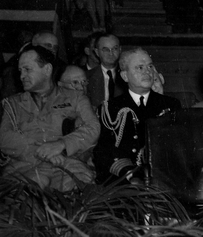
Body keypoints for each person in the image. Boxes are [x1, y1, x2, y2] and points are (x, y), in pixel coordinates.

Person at [0, 45, 100, 191]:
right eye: (20, 71)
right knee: (30, 188)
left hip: (67, 165)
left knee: (81, 187)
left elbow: (93, 127)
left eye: (27, 69)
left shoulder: (76, 98)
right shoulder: (12, 103)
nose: (22, 76)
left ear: (47, 70)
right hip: (25, 167)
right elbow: (4, 137)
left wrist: (61, 144)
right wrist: (42, 152)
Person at [94, 48, 181, 183]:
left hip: (163, 179)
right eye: (140, 67)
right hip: (125, 180)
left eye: (150, 66)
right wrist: (129, 174)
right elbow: (106, 151)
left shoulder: (171, 105)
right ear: (125, 76)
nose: (147, 71)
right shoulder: (110, 108)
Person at [86, 33, 126, 110]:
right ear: (97, 52)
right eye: (105, 49)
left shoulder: (128, 75)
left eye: (115, 49)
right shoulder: (88, 76)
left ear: (120, 50)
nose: (111, 53)